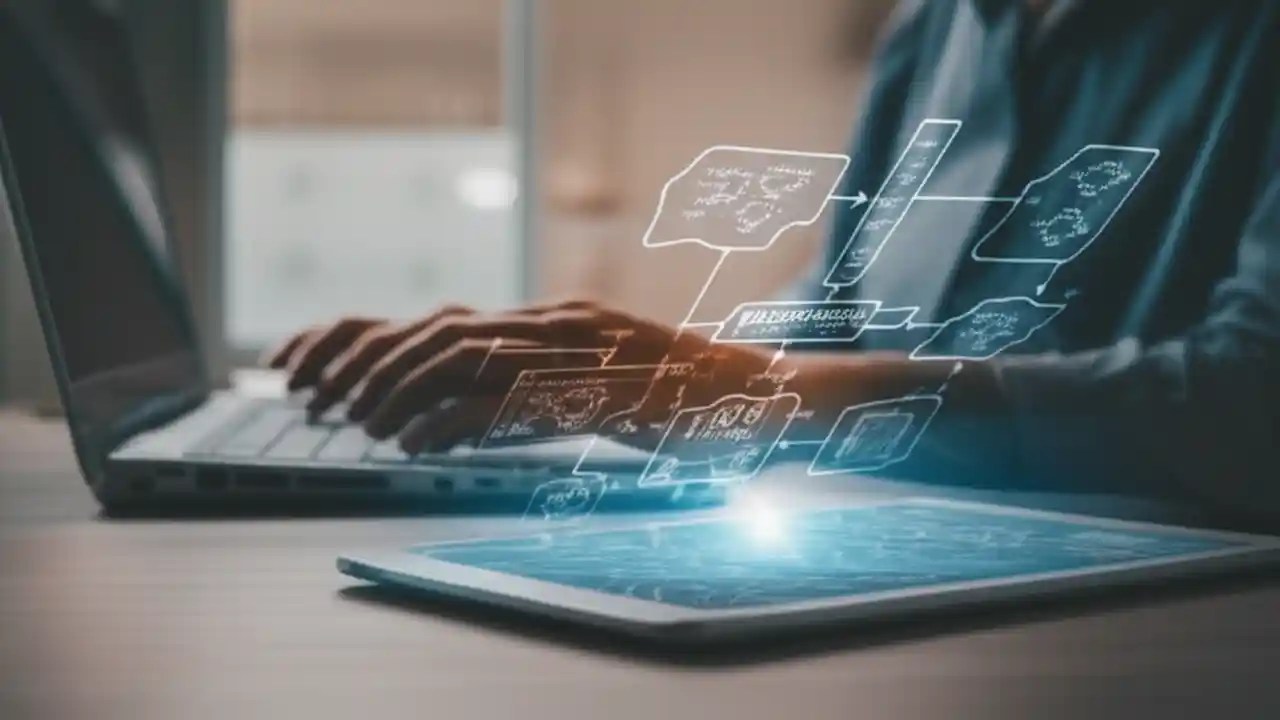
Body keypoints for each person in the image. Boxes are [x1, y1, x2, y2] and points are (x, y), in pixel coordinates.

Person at [269, 0, 1280, 524]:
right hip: (908, 584)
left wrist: (744, 389)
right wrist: (628, 374)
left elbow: (1253, 407)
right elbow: (837, 309)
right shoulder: (937, 26)